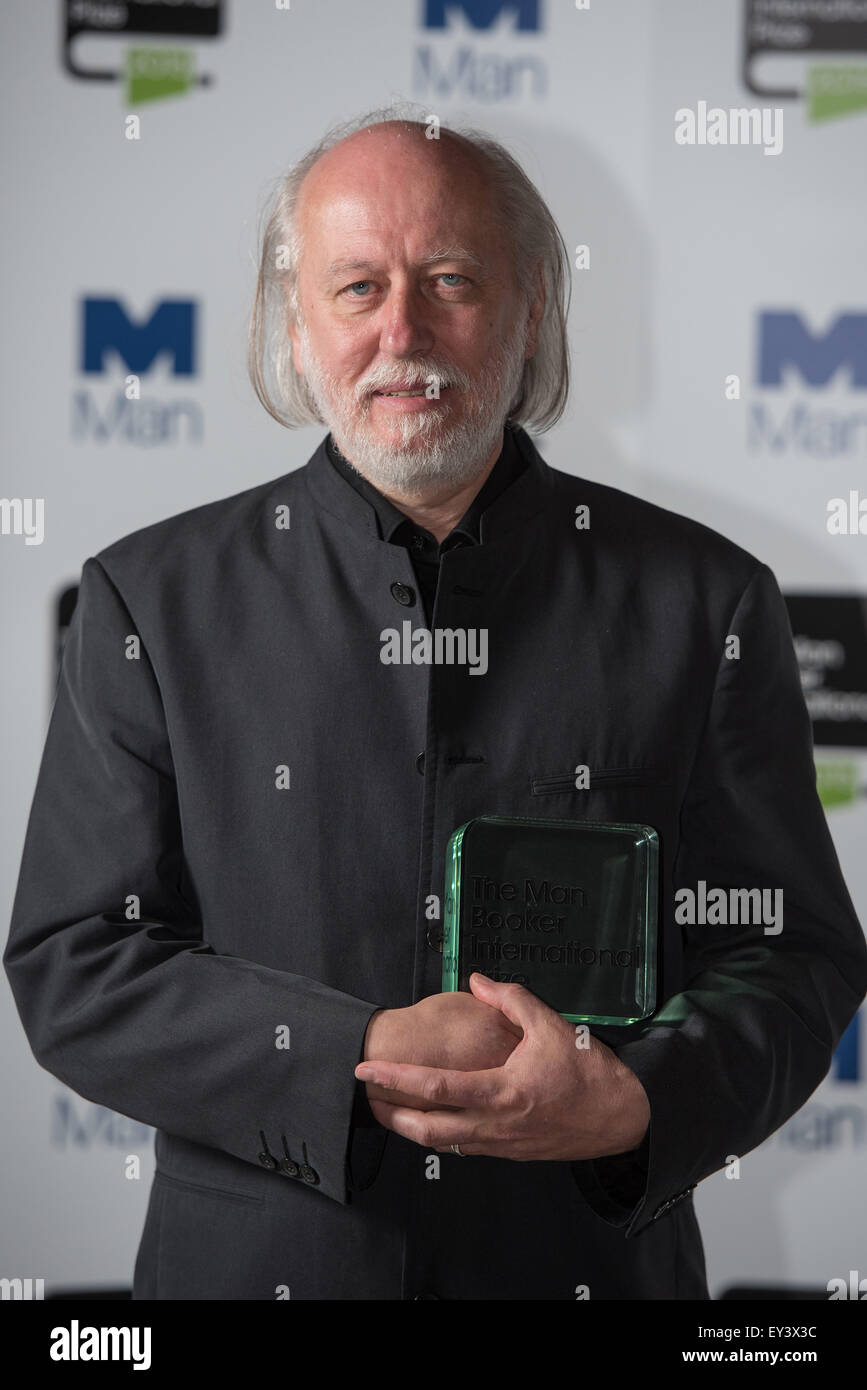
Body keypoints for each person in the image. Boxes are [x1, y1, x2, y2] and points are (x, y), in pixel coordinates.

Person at [5, 106, 866, 1301]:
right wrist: (350, 1053)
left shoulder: (705, 601)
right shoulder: (149, 603)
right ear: (295, 328)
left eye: (450, 279)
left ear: (533, 313)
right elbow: (76, 959)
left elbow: (790, 950)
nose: (402, 330)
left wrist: (635, 1098)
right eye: (356, 287)